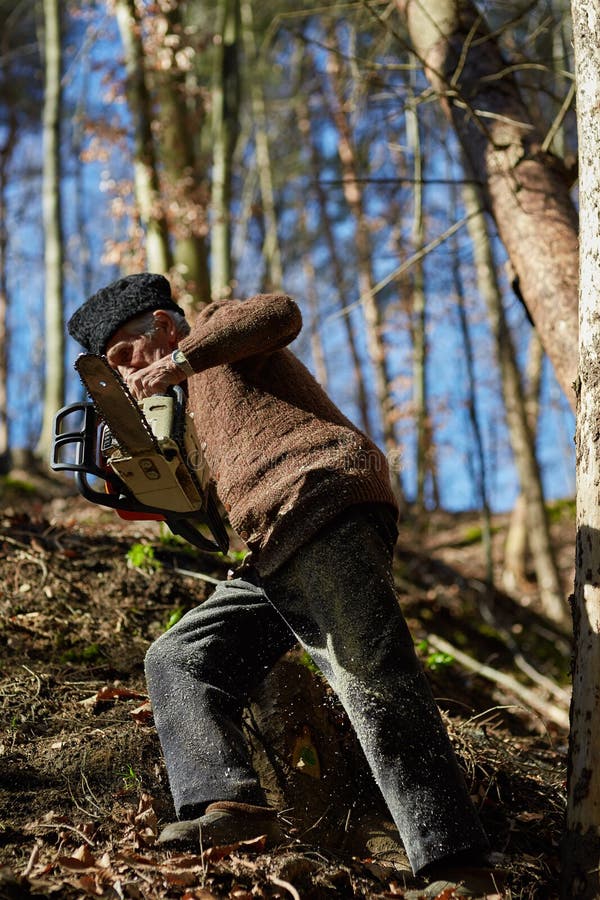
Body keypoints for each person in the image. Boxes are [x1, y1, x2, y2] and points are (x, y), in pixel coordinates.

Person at [67, 273, 501, 896]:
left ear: (161, 326)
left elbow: (280, 312)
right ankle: (229, 806)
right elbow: (204, 524)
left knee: (370, 677)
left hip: (317, 498)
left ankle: (457, 864)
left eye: (122, 358)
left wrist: (178, 364)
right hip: (270, 544)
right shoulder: (183, 411)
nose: (127, 374)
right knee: (181, 659)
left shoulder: (217, 332)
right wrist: (144, 480)